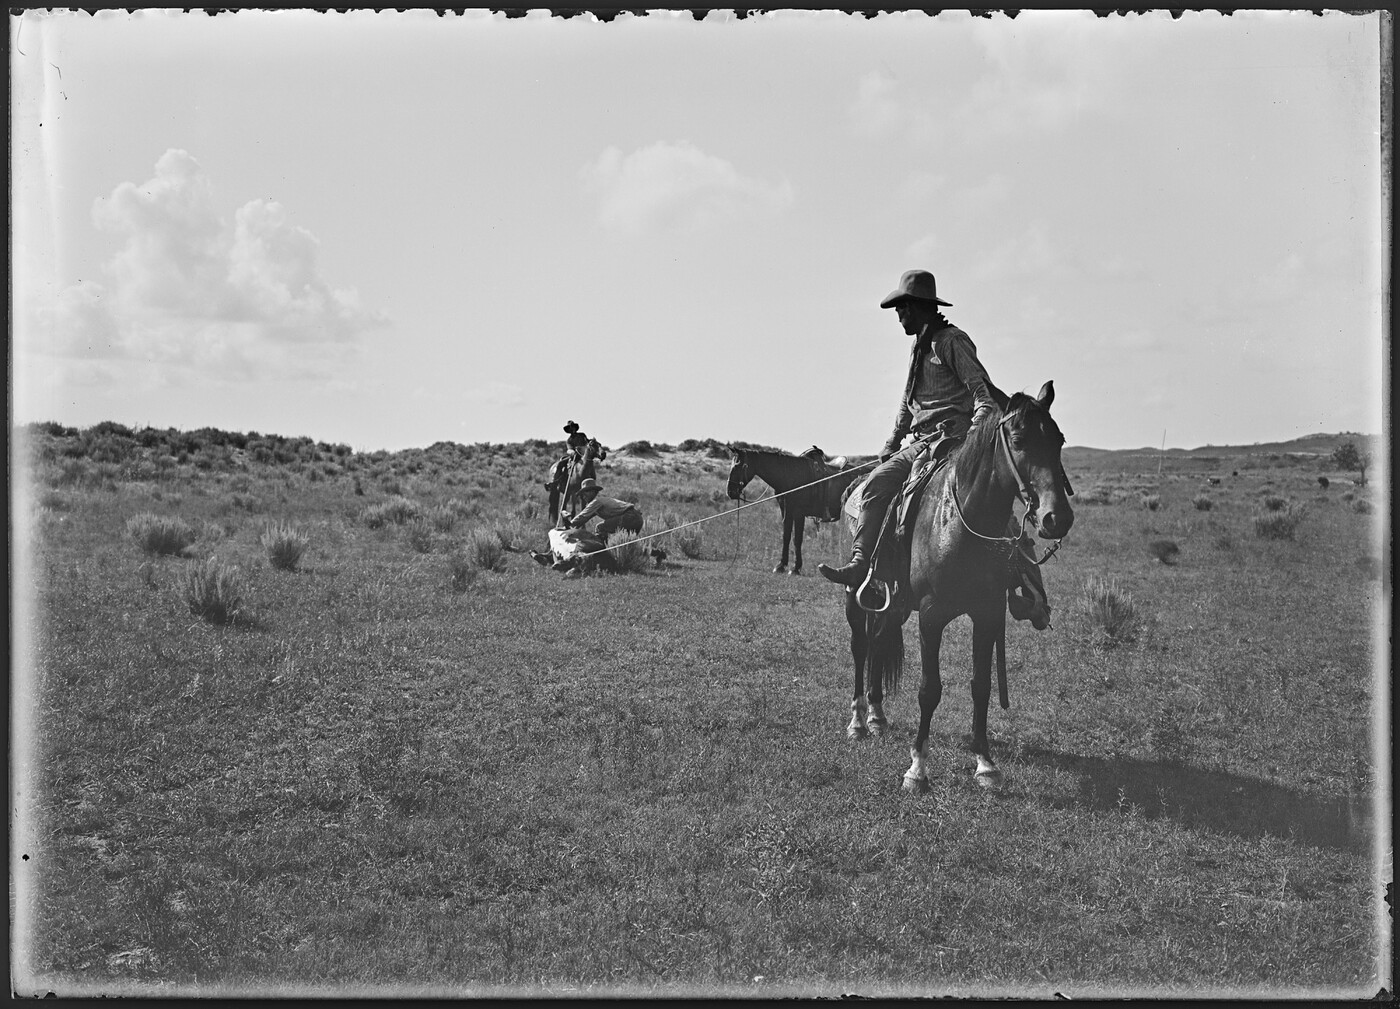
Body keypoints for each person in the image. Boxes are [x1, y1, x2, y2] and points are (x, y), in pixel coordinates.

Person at [817, 269, 1051, 627]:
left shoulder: (952, 342)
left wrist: (973, 442)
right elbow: (907, 402)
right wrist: (892, 443)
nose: (899, 315)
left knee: (994, 506)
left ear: (921, 306)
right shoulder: (919, 345)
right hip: (920, 443)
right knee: (878, 484)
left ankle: (1031, 594)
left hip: (954, 441)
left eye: (903, 308)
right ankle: (863, 564)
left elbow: (983, 396)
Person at [567, 478, 643, 540]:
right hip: (637, 518)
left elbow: (582, 516)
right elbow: (583, 519)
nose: (583, 497)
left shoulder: (596, 501)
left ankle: (601, 552)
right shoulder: (600, 500)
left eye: (585, 492)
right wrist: (571, 529)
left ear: (593, 491)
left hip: (629, 516)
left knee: (600, 527)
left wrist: (568, 525)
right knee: (628, 542)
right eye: (582, 494)